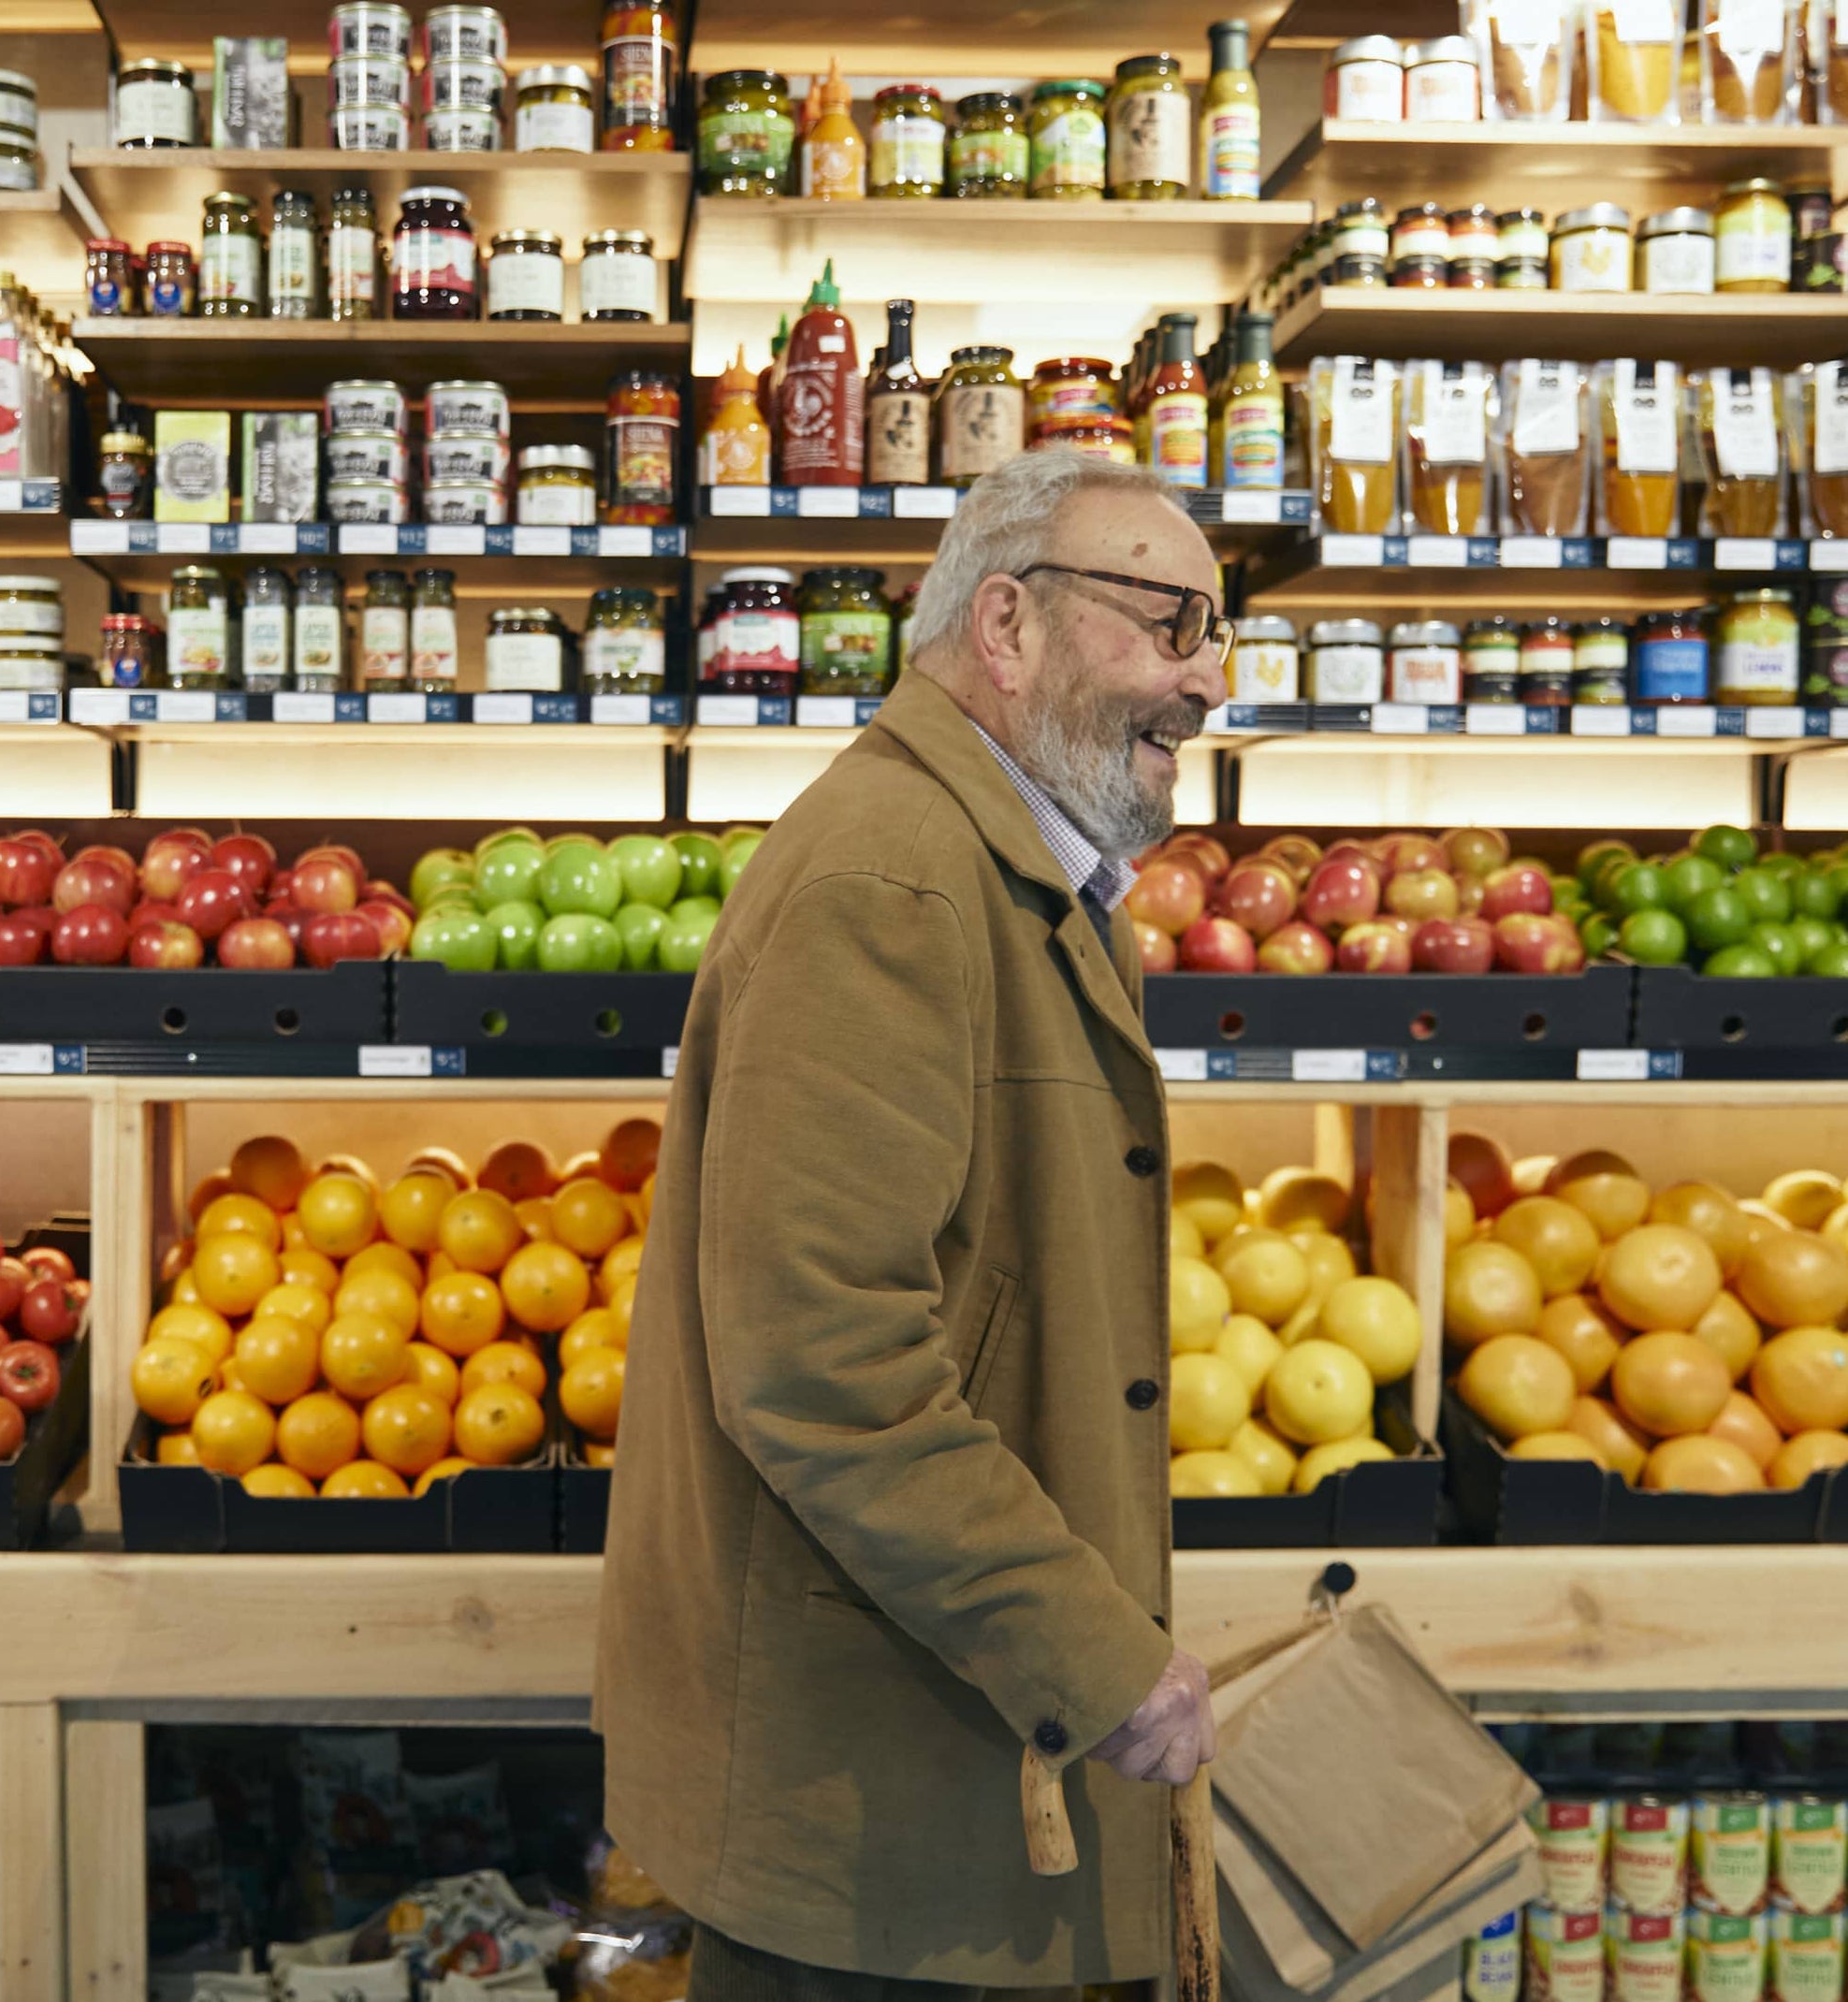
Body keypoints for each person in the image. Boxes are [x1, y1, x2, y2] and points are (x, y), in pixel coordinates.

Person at [595, 452, 1234, 2001]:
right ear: (1005, 621)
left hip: (941, 1761)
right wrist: (1092, 1652)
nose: (1207, 680)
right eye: (1169, 623)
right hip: (877, 1803)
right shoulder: (894, 883)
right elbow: (824, 1362)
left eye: (1219, 633)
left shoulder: (1012, 869)